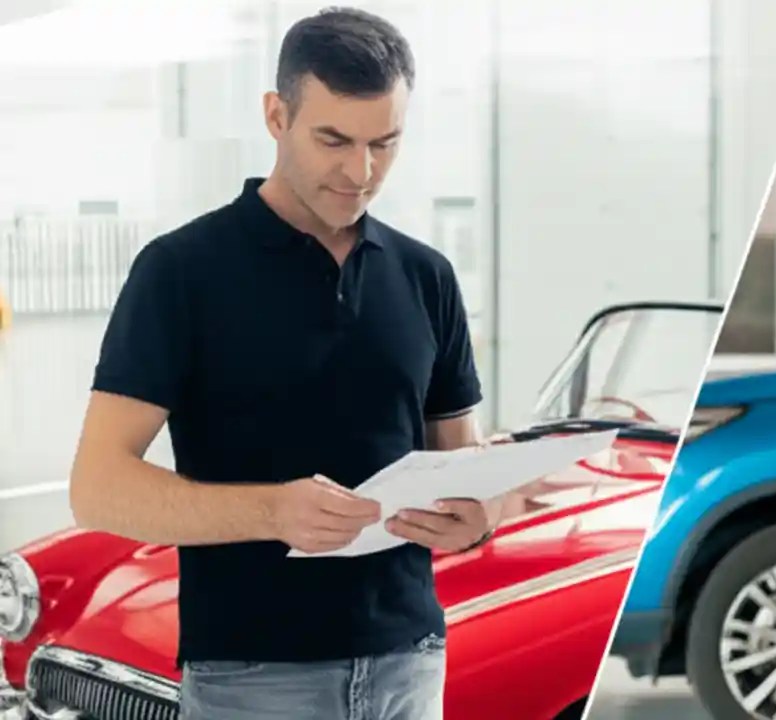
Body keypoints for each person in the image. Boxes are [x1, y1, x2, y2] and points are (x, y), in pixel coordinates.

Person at [69, 8, 501, 719]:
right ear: (276, 115)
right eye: (333, 139)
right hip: (252, 680)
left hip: (412, 667)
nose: (360, 172)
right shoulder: (181, 272)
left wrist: (480, 516)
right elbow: (98, 487)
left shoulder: (428, 276)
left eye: (384, 144)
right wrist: (273, 510)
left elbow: (464, 464)